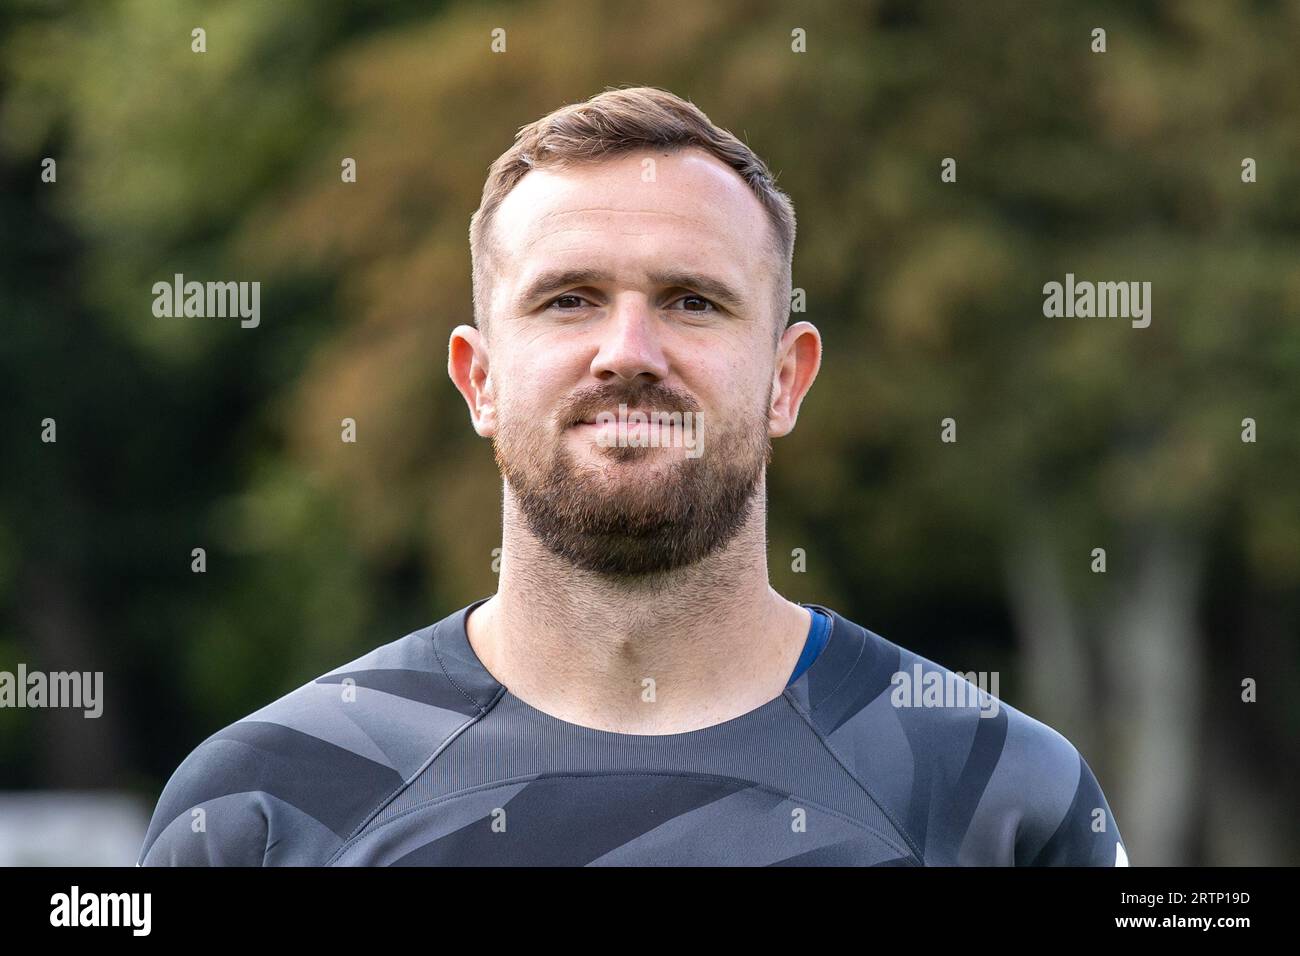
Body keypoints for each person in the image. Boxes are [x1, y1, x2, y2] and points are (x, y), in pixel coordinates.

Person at [139, 86, 1127, 866]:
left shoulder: (1001, 795)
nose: (628, 350)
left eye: (692, 300)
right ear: (478, 379)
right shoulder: (262, 807)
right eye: (569, 299)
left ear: (786, 379)